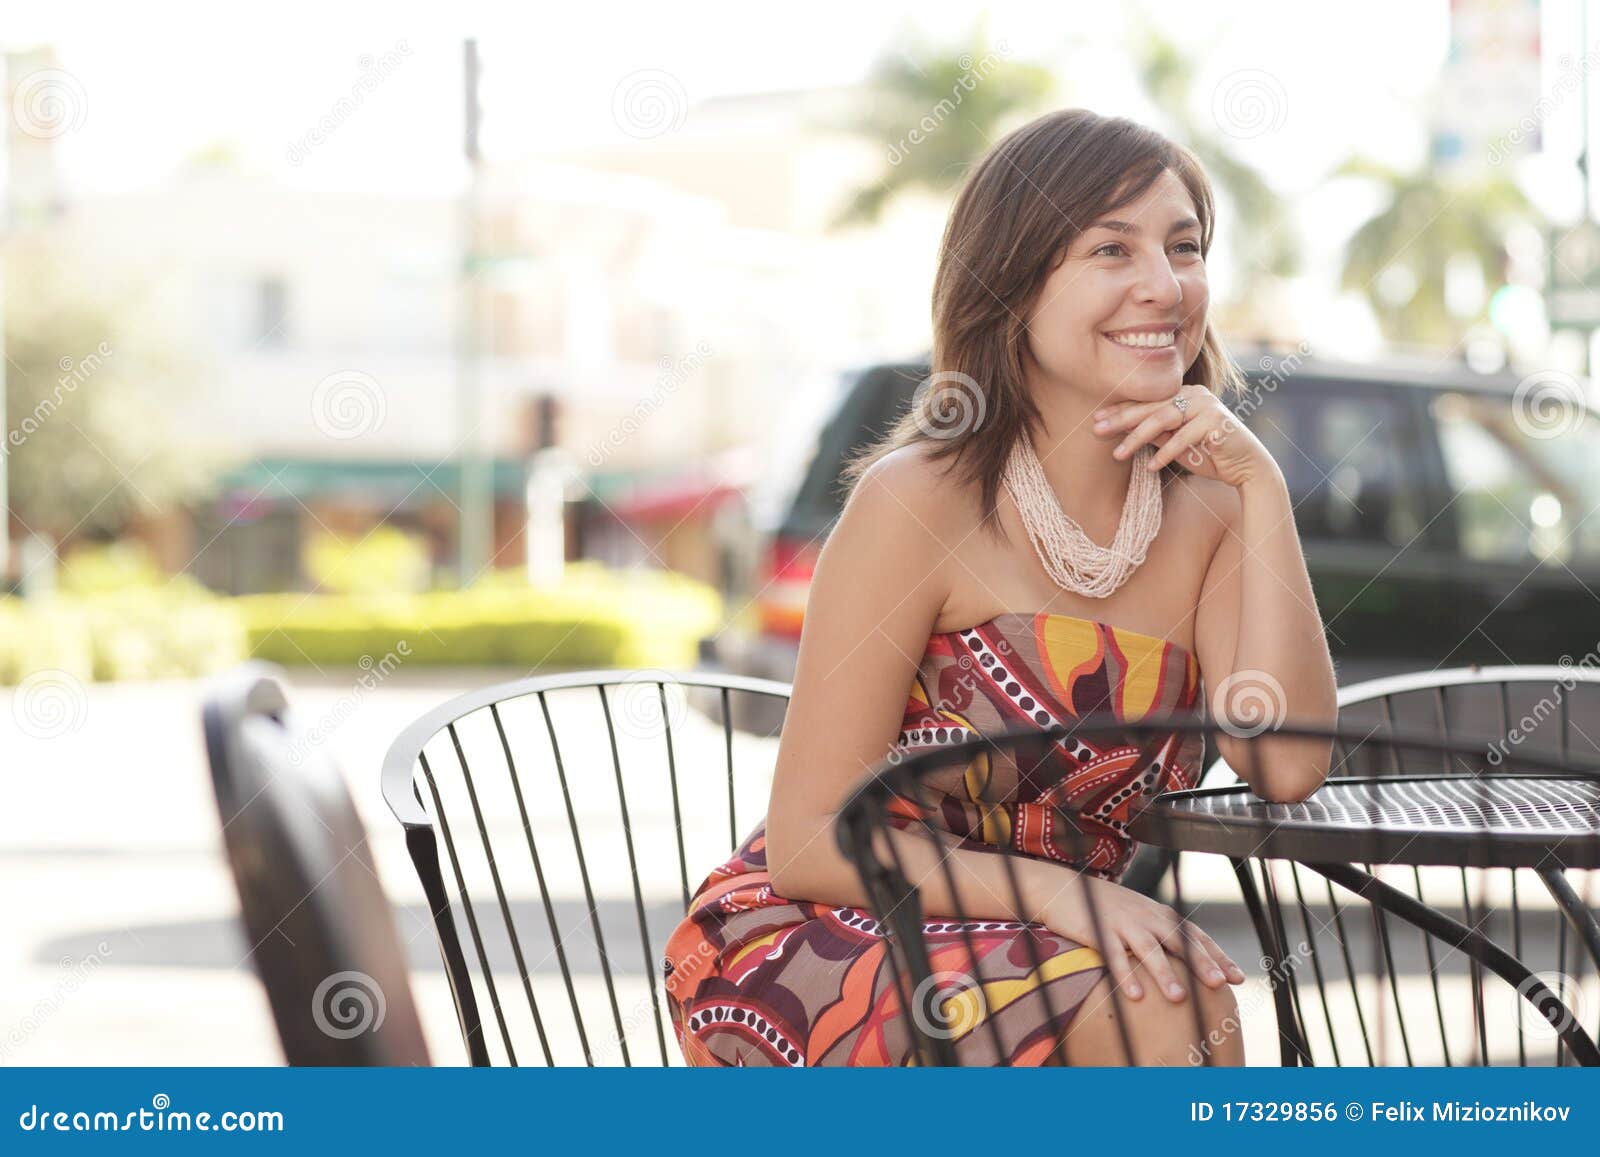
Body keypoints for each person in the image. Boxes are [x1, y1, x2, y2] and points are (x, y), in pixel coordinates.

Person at [662, 107, 1338, 1066]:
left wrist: (1263, 489)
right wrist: (1071, 896)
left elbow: (1286, 767)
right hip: (835, 926)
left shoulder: (1216, 512)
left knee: (1173, 1006)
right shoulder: (917, 500)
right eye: (1112, 248)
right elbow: (809, 838)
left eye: (1183, 247)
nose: (1163, 284)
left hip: (1058, 947)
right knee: (1172, 1013)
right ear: (1012, 284)